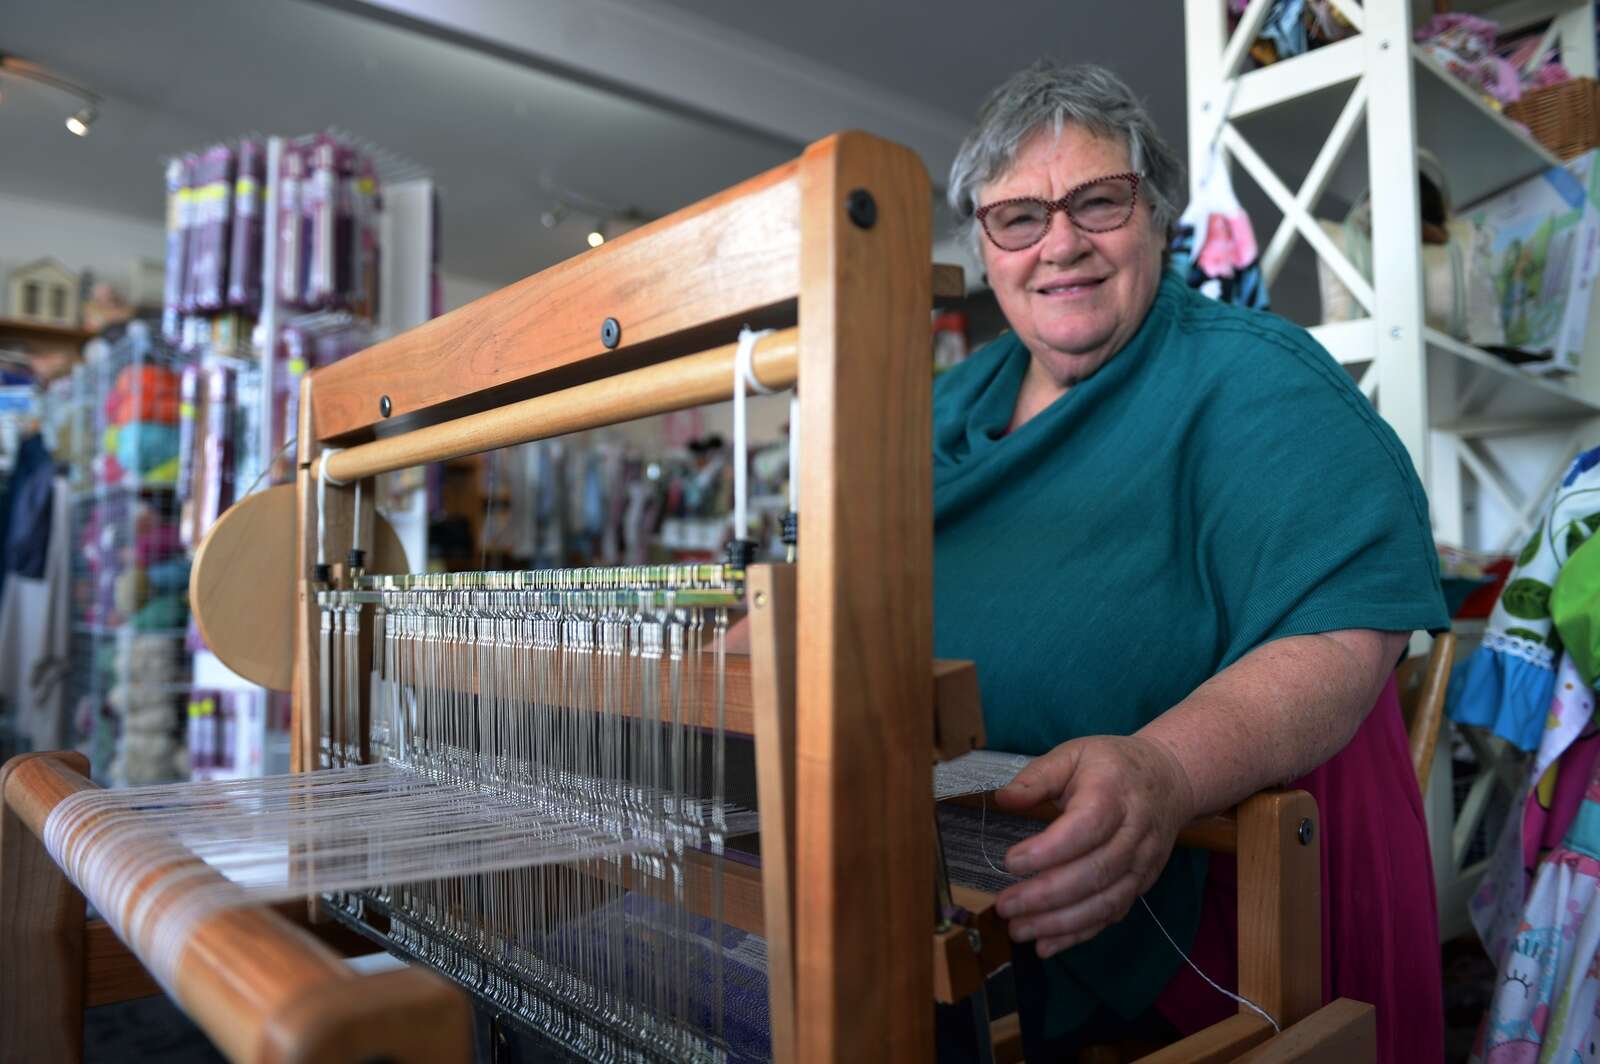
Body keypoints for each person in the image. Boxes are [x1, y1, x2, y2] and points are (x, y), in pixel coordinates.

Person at [934, 61, 1449, 1059]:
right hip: (969, 890)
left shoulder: (1257, 381)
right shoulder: (938, 412)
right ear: (982, 249)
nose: (1063, 243)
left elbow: (1344, 632)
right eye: (1019, 218)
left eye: (1099, 200)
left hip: (1225, 917)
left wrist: (1165, 769)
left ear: (1158, 213)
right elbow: (836, 594)